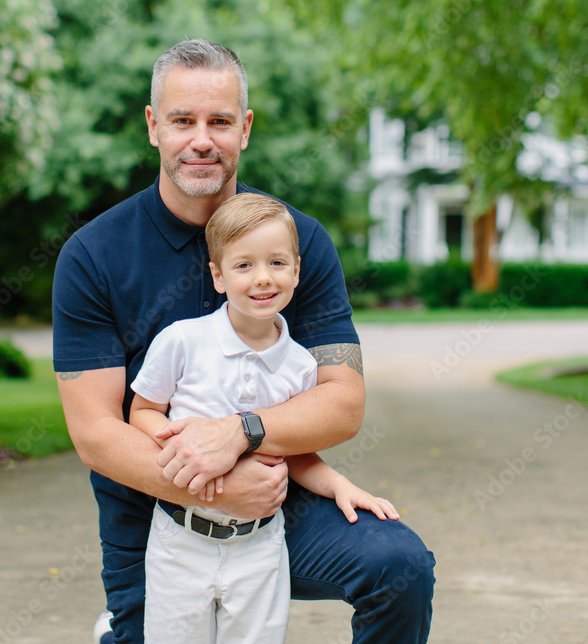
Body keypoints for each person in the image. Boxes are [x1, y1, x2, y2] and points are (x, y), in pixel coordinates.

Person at [52, 38, 435, 644]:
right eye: (183, 120)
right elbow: (96, 433)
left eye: (221, 122)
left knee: (398, 566)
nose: (201, 140)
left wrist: (243, 432)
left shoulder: (299, 244)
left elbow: (343, 402)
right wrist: (216, 488)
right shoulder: (93, 256)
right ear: (153, 126)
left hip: (275, 501)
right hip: (153, 511)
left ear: (246, 129)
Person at [130, 193, 399, 643]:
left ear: (297, 269)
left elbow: (294, 453)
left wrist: (340, 486)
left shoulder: (301, 366)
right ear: (218, 276)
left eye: (277, 263)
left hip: (259, 546)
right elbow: (142, 411)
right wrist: (187, 453)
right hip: (181, 540)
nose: (262, 278)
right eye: (243, 265)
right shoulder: (182, 342)